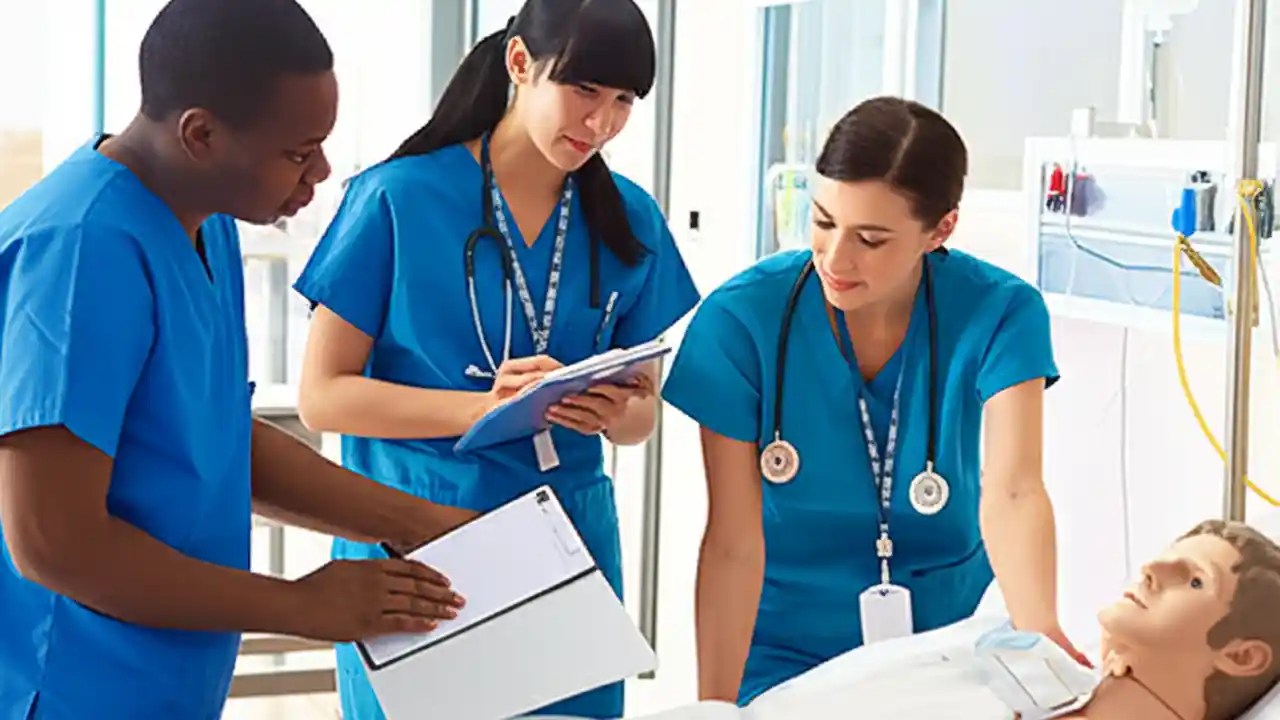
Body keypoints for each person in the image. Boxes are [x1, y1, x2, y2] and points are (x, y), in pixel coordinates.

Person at [0, 2, 477, 718]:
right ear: (201, 134)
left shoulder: (204, 222)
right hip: (65, 687)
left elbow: (210, 437)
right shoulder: (79, 248)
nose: (320, 172)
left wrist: (416, 522)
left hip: (161, 685)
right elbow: (54, 544)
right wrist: (300, 605)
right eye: (298, 153)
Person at [291, 1, 700, 718]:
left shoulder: (630, 218)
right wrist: (483, 408)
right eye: (583, 90)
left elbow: (641, 421)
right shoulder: (396, 198)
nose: (601, 122)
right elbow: (322, 397)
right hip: (421, 538)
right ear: (519, 64)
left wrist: (614, 409)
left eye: (623, 101)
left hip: (567, 543)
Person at [660, 95, 1084, 706]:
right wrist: (717, 710)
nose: (836, 258)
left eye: (871, 239)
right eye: (823, 221)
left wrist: (1039, 638)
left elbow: (1014, 491)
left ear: (940, 229)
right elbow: (732, 541)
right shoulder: (742, 321)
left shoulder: (1000, 312)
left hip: (945, 651)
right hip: (784, 655)